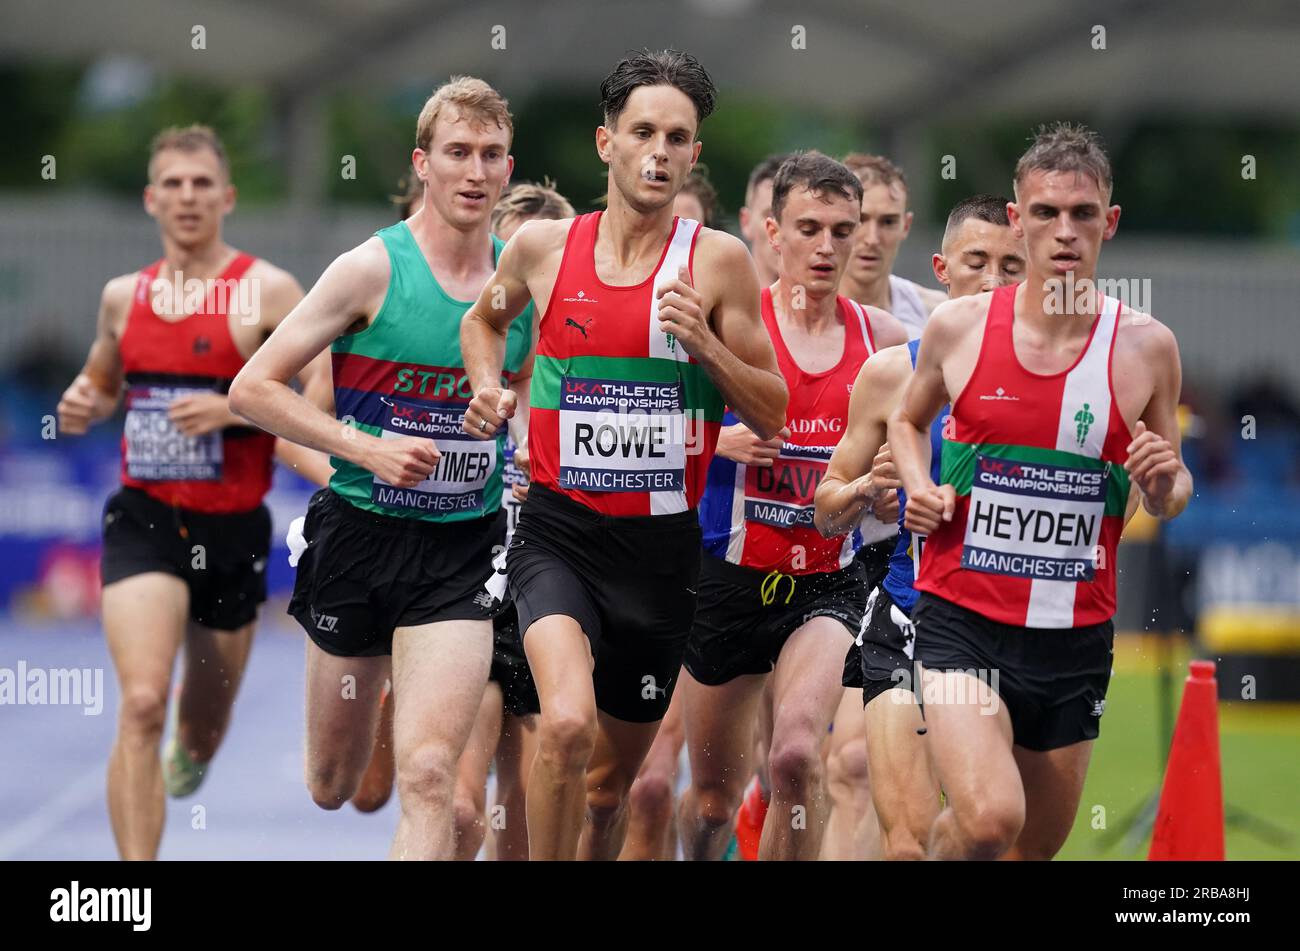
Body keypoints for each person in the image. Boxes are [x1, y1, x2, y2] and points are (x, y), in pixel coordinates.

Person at [459, 49, 788, 861]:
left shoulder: (717, 261)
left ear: (694, 155)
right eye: (643, 131)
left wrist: (706, 344)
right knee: (564, 722)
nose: (660, 151)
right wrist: (488, 388)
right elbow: (483, 321)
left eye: (678, 137)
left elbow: (772, 407)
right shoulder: (541, 248)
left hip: (662, 555)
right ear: (605, 141)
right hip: (558, 533)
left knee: (609, 792)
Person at [230, 76, 533, 860]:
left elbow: (536, 406)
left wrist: (505, 415)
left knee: (431, 774)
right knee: (335, 784)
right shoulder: (368, 270)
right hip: (359, 541)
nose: (474, 171)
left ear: (508, 169)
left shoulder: (521, 289)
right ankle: (388, 677)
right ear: (423, 164)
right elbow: (251, 388)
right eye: (457, 153)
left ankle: (420, 682)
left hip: (462, 551)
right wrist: (364, 448)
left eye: (490, 155)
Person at [888, 123, 1192, 860]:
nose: (1065, 232)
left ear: (1108, 223)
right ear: (1017, 221)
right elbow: (905, 418)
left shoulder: (1147, 346)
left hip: (1076, 636)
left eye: (1083, 214)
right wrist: (918, 483)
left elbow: (1172, 487)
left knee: (1028, 848)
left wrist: (1162, 481)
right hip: (961, 620)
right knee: (993, 817)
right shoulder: (958, 328)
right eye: (1046, 213)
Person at [56, 124, 331, 860]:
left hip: (233, 531)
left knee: (199, 730)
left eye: (201, 183)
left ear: (227, 197)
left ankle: (195, 745)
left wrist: (238, 405)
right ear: (151, 199)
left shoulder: (269, 291)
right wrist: (82, 399)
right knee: (141, 702)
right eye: (172, 184)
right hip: (144, 517)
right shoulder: (123, 297)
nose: (187, 196)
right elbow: (104, 382)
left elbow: (319, 400)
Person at [676, 151, 906, 861]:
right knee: (713, 799)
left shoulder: (885, 345)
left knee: (797, 756)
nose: (830, 247)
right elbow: (649, 437)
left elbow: (924, 453)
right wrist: (716, 442)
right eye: (810, 228)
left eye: (845, 229)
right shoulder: (727, 327)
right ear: (771, 233)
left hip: (829, 582)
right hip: (726, 576)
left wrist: (894, 479)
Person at [815, 193, 1026, 859]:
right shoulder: (890, 374)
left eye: (1012, 266)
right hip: (907, 614)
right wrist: (865, 488)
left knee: (976, 830)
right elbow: (825, 507)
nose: (993, 280)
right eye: (977, 261)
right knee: (903, 841)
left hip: (1008, 629)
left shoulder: (1060, 383)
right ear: (942, 268)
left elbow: (1111, 497)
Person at [452, 180, 575, 860]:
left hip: (551, 597)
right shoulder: (465, 367)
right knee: (461, 805)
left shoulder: (586, 380)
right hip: (466, 594)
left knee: (523, 811)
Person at [617, 171, 726, 861]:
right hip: (605, 553)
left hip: (707, 565)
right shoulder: (601, 307)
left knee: (666, 786)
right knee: (621, 782)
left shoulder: (733, 314)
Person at [839, 153, 946, 339]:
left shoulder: (935, 314)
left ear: (906, 226)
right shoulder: (799, 314)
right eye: (860, 220)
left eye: (888, 222)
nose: (872, 239)